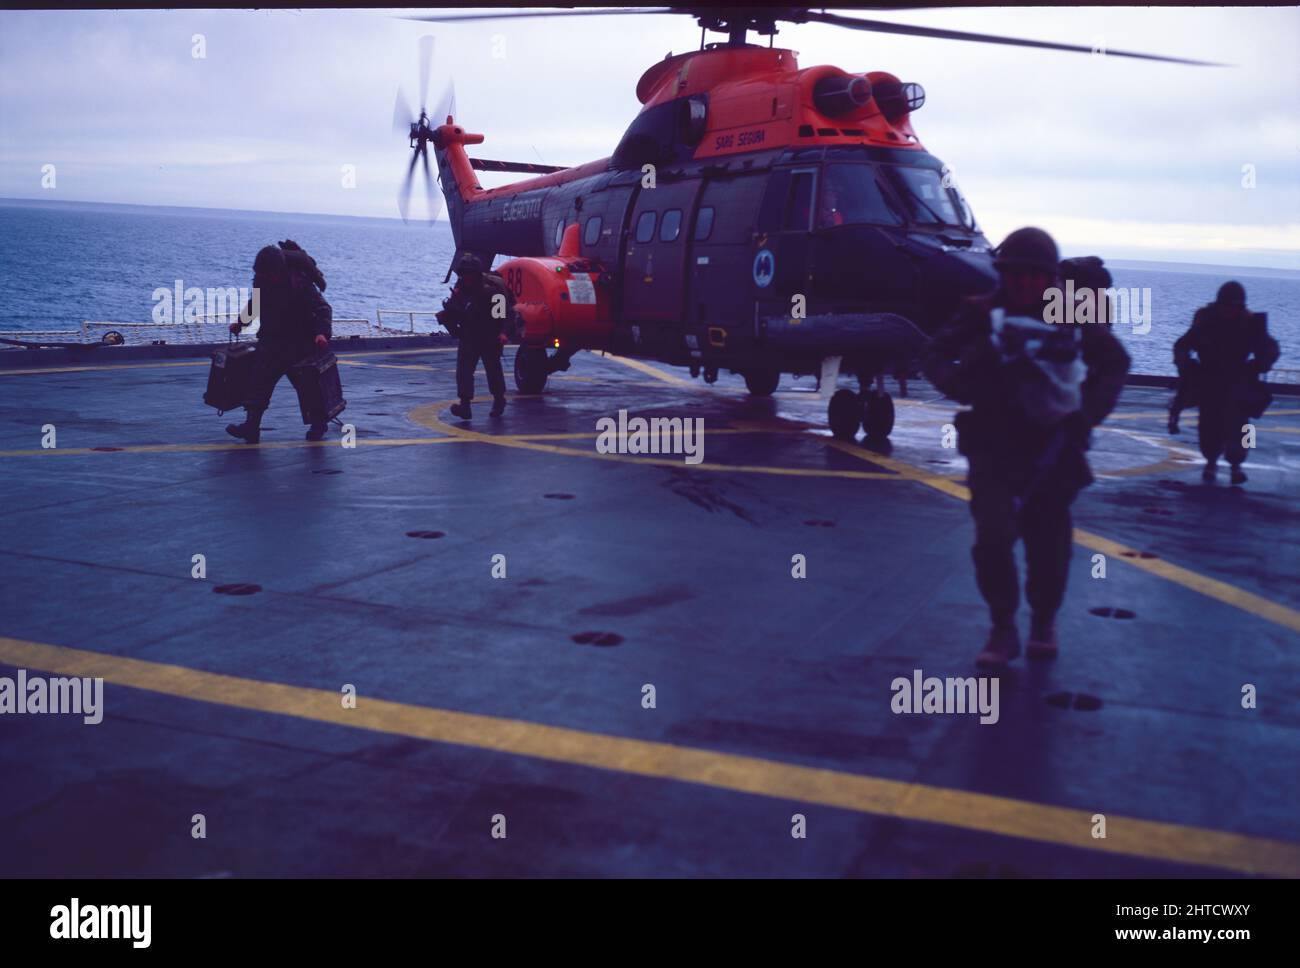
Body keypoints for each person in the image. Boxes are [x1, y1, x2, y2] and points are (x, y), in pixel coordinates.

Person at [921, 229, 1130, 669]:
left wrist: (1085, 414)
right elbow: (936, 351)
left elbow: (1114, 362)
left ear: (1050, 278)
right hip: (993, 443)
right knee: (993, 538)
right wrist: (957, 382)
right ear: (1003, 274)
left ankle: (1043, 621)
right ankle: (1002, 626)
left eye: (1034, 276)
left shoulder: (1073, 315)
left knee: (1048, 543)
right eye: (1015, 274)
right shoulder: (982, 312)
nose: (1024, 283)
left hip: (1053, 445)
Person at [1171, 281, 1279, 485]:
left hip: (1238, 381)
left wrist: (1260, 363)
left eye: (1234, 306)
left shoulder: (1250, 323)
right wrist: (1184, 362)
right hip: (1210, 380)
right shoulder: (1206, 321)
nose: (1229, 310)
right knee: (1209, 425)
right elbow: (1184, 344)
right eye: (1227, 305)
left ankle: (1236, 465)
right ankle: (1211, 461)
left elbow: (1269, 348)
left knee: (1241, 427)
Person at [226, 244, 333, 444]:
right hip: (272, 342)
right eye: (263, 275)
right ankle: (251, 427)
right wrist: (240, 323)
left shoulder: (299, 281)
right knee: (258, 385)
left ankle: (319, 424)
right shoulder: (262, 280)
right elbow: (255, 303)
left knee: (307, 388)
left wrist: (321, 333)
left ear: (279, 270)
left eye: (269, 274)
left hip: (299, 344)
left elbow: (323, 308)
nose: (267, 278)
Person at [438, 253, 513, 420]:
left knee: (493, 370)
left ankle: (499, 400)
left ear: (477, 273)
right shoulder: (460, 290)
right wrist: (447, 316)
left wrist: (503, 333)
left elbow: (504, 315)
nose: (466, 277)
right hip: (469, 335)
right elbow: (455, 311)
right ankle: (465, 406)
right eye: (464, 273)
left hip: (489, 336)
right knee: (464, 371)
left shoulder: (492, 292)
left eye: (469, 273)